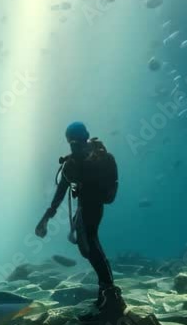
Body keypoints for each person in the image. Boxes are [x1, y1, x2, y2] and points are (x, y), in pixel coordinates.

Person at [35, 121, 124, 314]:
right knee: (89, 245)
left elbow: (60, 193)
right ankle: (108, 289)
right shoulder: (96, 158)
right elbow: (62, 190)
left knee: (90, 245)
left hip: (90, 206)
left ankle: (109, 291)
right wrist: (46, 218)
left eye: (73, 141)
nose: (74, 145)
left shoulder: (75, 163)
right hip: (91, 206)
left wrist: (45, 218)